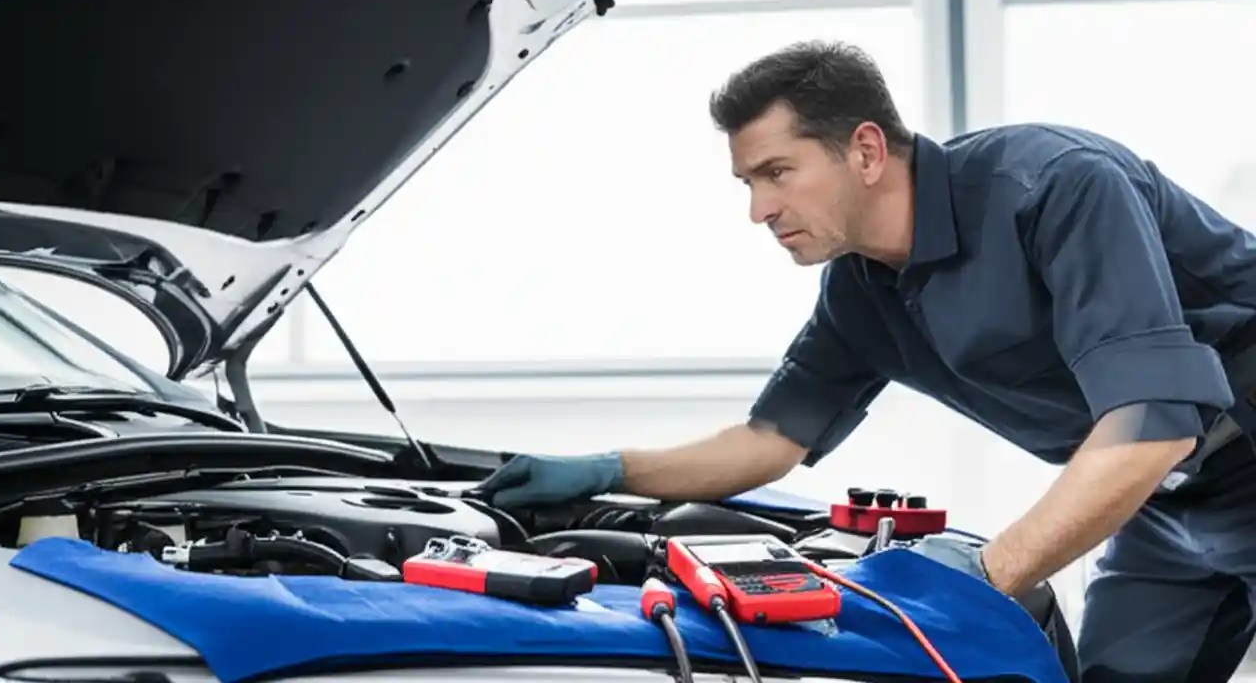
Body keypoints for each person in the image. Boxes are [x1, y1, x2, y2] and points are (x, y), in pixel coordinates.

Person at [478, 40, 1256, 681]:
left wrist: (986, 576)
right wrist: (607, 470)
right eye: (748, 183)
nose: (759, 210)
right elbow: (770, 441)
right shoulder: (861, 288)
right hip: (1170, 503)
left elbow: (1152, 425)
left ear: (867, 150)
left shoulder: (1053, 187)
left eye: (778, 174)